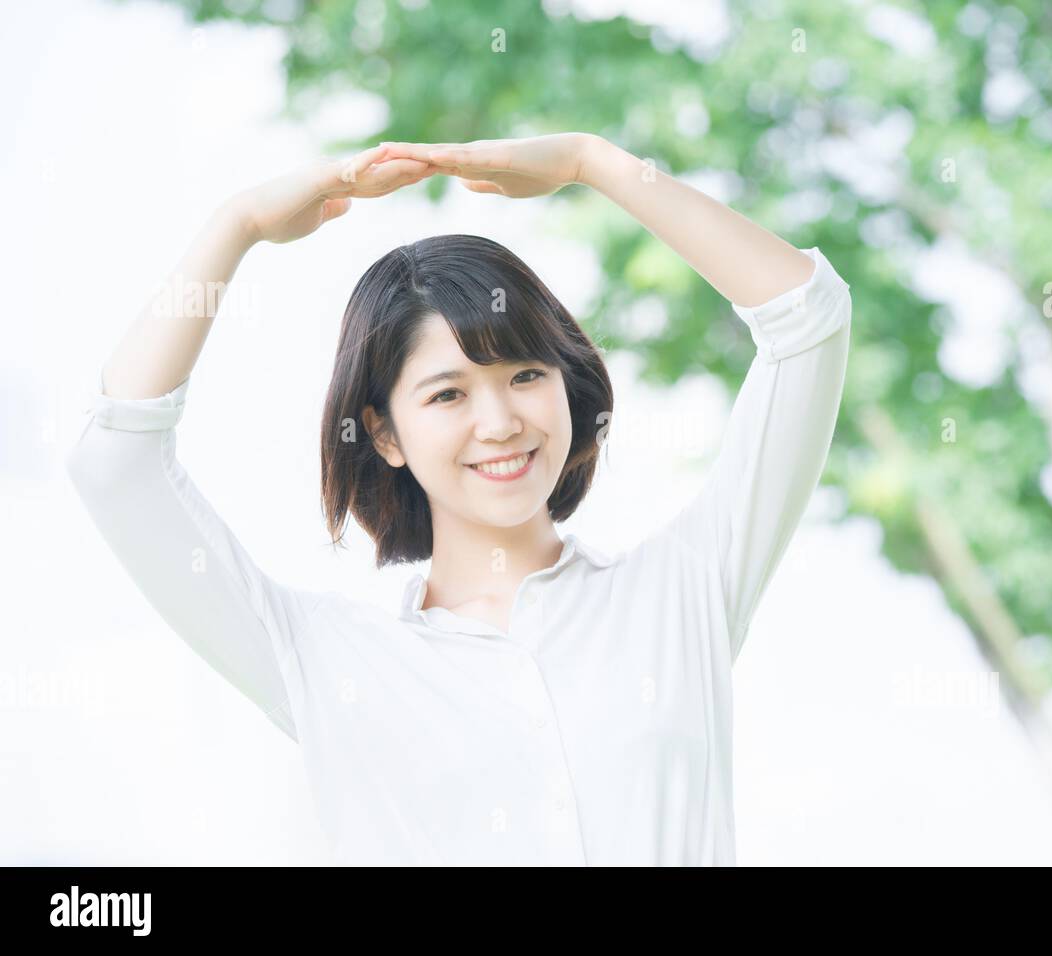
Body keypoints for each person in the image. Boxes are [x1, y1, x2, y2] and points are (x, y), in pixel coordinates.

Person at [65, 132, 853, 865]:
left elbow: (808, 318)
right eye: (447, 395)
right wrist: (235, 225)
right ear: (384, 435)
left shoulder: (683, 587)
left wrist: (595, 163)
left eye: (525, 376)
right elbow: (116, 463)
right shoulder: (326, 659)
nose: (501, 422)